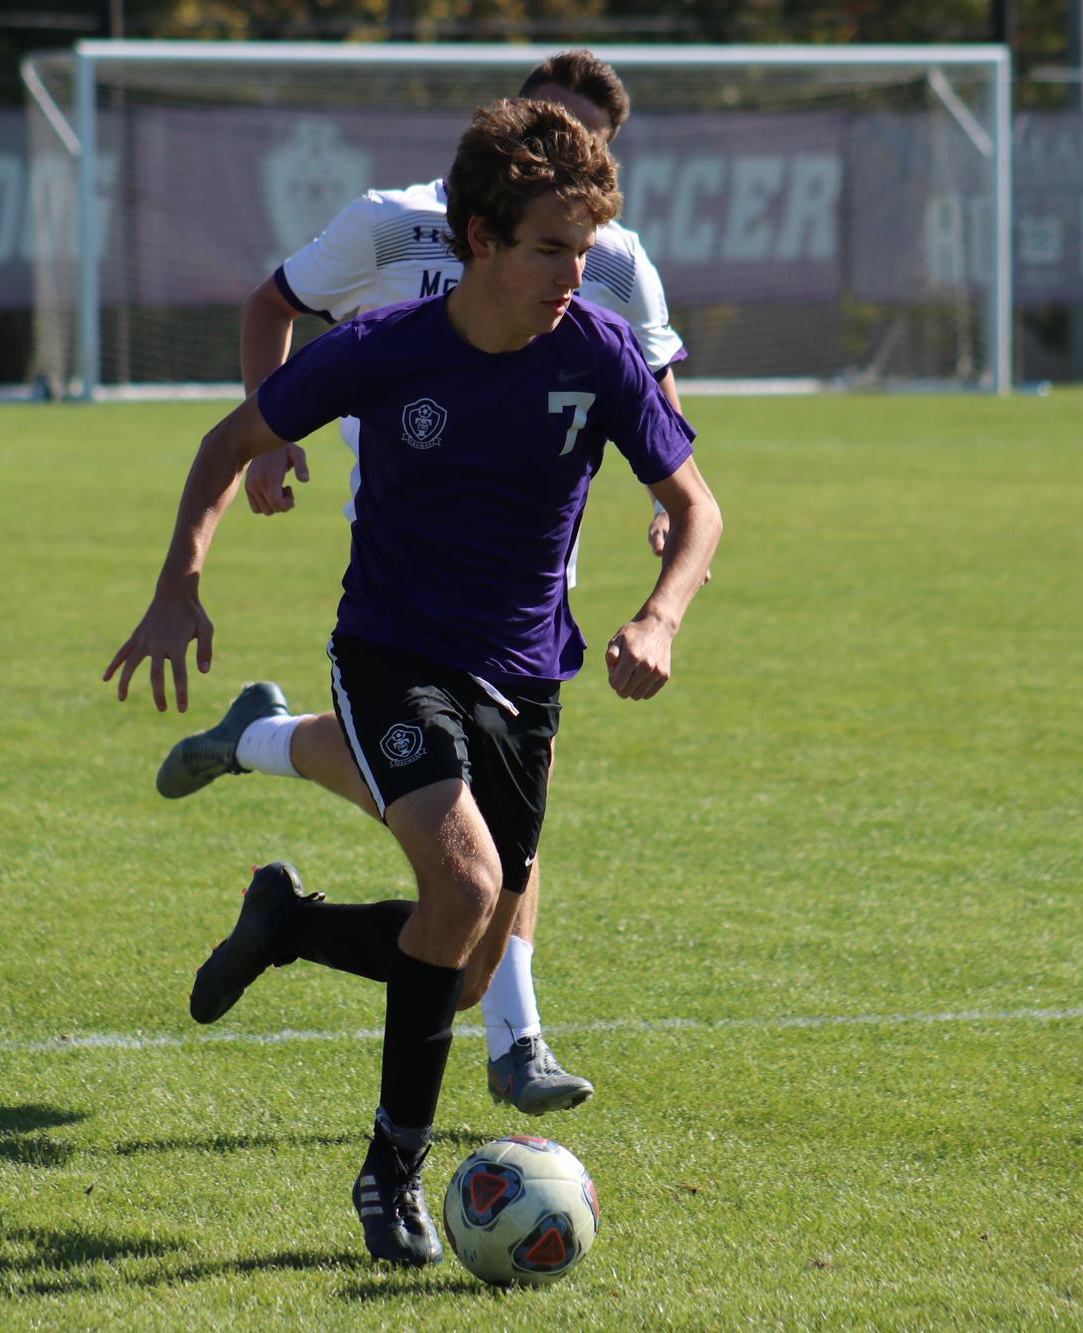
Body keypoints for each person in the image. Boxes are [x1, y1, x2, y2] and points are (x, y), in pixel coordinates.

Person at [104, 99, 720, 1267]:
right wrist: (180, 581)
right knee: (466, 881)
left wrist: (660, 616)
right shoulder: (386, 350)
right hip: (391, 651)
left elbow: (697, 507)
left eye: (582, 253)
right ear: (479, 238)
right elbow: (224, 444)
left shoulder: (593, 350)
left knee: (472, 944)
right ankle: (392, 1173)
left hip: (526, 674)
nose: (570, 275)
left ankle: (288, 924)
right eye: (549, 250)